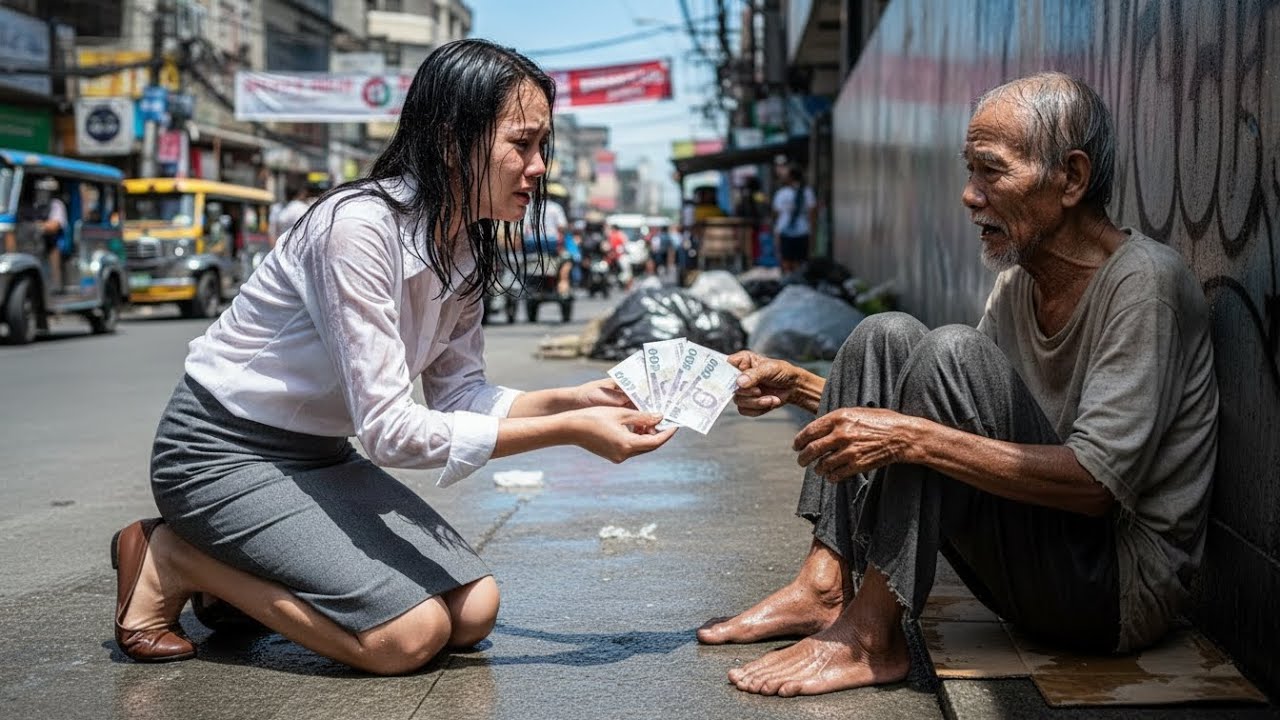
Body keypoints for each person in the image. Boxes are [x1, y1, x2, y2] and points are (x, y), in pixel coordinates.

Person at [110, 39, 676, 675]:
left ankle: (234, 581)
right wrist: (566, 432)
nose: (539, 165)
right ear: (449, 140)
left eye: (545, 145)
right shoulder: (357, 228)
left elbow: (460, 395)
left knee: (473, 611)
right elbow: (389, 432)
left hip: (319, 456)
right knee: (404, 638)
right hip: (220, 454)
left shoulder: (466, 244)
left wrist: (577, 398)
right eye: (522, 143)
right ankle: (175, 557)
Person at [698, 71, 1218, 697]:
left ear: (1072, 179)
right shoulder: (1022, 279)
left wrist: (910, 439)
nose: (970, 196)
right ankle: (823, 582)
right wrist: (802, 385)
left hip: (1110, 592)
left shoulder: (1146, 285)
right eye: (970, 171)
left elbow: (1094, 490)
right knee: (884, 335)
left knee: (947, 354)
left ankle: (871, 637)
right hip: (1037, 555)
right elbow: (936, 402)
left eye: (991, 172)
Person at [771, 163, 816, 276]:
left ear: (790, 177)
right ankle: (794, 281)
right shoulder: (805, 192)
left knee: (791, 261)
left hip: (794, 231)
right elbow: (812, 214)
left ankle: (792, 281)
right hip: (797, 231)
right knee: (794, 261)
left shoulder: (802, 192)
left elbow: (776, 216)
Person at [33, 177, 70, 291]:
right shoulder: (36, 204)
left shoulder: (56, 204)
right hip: (35, 243)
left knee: (53, 257)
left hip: (53, 243)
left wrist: (38, 226)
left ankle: (56, 289)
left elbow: (54, 226)